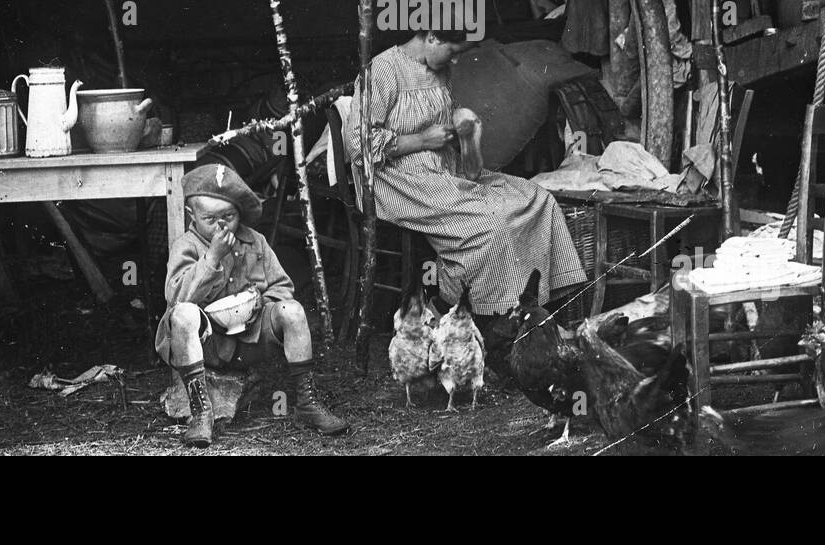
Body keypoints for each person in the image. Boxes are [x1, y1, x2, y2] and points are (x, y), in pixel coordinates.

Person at [345, 27, 586, 317]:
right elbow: (359, 145)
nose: (457, 62)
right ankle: (464, 308)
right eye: (455, 52)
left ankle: (533, 305)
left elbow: (442, 119)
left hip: (444, 170)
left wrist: (463, 128)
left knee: (538, 198)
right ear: (432, 37)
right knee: (491, 225)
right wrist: (422, 140)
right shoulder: (382, 71)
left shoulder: (440, 69)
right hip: (397, 179)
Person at [154, 163, 348, 447]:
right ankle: (201, 413)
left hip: (250, 338)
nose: (221, 226)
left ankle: (307, 402)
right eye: (210, 218)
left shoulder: (254, 241)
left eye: (229, 216)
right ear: (191, 216)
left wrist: (261, 303)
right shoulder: (186, 246)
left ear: (240, 214)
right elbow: (178, 299)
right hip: (207, 342)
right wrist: (212, 259)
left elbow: (283, 286)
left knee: (292, 310)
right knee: (182, 315)